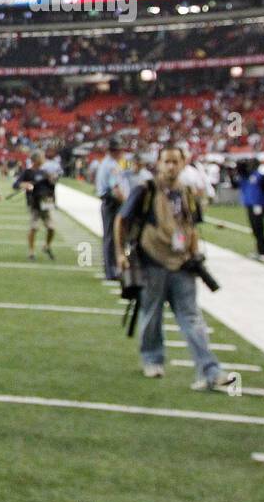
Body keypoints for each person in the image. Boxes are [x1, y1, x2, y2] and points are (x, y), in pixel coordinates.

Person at [114, 145, 236, 391]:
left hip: (182, 263)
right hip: (151, 261)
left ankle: (210, 372)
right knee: (151, 315)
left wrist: (195, 255)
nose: (171, 166)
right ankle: (152, 359)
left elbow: (192, 227)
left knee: (192, 318)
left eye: (175, 162)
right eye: (166, 161)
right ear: (158, 164)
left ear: (183, 164)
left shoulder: (188, 194)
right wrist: (120, 254)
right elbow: (122, 219)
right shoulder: (145, 189)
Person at [14, 149, 58, 260]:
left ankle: (47, 246)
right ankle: (31, 252)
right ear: (36, 159)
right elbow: (16, 184)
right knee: (34, 227)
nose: (43, 159)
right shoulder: (28, 172)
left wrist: (52, 180)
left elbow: (52, 186)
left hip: (45, 203)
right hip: (34, 203)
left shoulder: (46, 172)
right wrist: (25, 184)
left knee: (51, 228)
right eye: (42, 157)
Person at [95, 137, 128, 281]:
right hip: (112, 202)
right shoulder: (111, 166)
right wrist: (127, 203)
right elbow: (116, 189)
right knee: (112, 237)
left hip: (109, 202)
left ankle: (111, 268)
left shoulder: (107, 163)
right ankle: (111, 270)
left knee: (111, 236)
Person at [231, 158, 264, 261]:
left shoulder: (260, 176)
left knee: (259, 229)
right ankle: (258, 251)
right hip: (249, 206)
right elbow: (234, 185)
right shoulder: (243, 176)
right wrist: (232, 173)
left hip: (258, 206)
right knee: (254, 229)